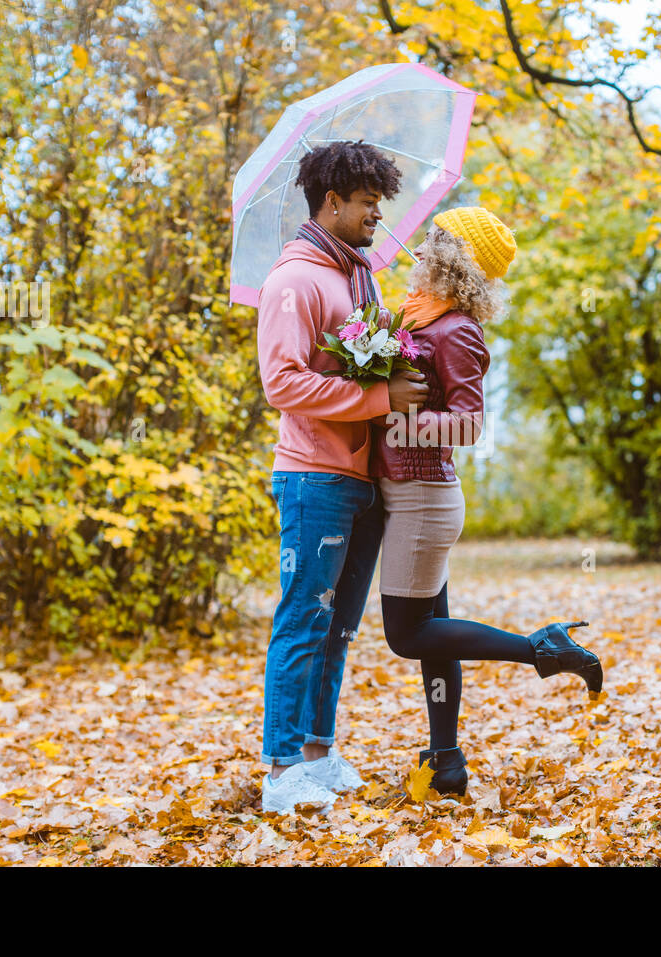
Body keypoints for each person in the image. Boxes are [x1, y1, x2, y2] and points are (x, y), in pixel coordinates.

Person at [371, 206, 604, 798]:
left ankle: (542, 649)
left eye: (433, 242)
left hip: (423, 498)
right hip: (411, 493)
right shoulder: (422, 318)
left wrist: (400, 416)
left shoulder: (457, 331)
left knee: (407, 636)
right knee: (435, 629)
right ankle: (446, 761)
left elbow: (470, 426)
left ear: (454, 257)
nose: (419, 249)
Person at [255, 140, 429, 814]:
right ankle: (279, 768)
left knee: (340, 628)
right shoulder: (294, 280)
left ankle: (318, 752)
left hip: (364, 478)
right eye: (366, 204)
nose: (377, 217)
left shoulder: (358, 275)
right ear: (332, 202)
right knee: (303, 618)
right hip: (313, 479)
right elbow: (284, 382)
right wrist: (380, 399)